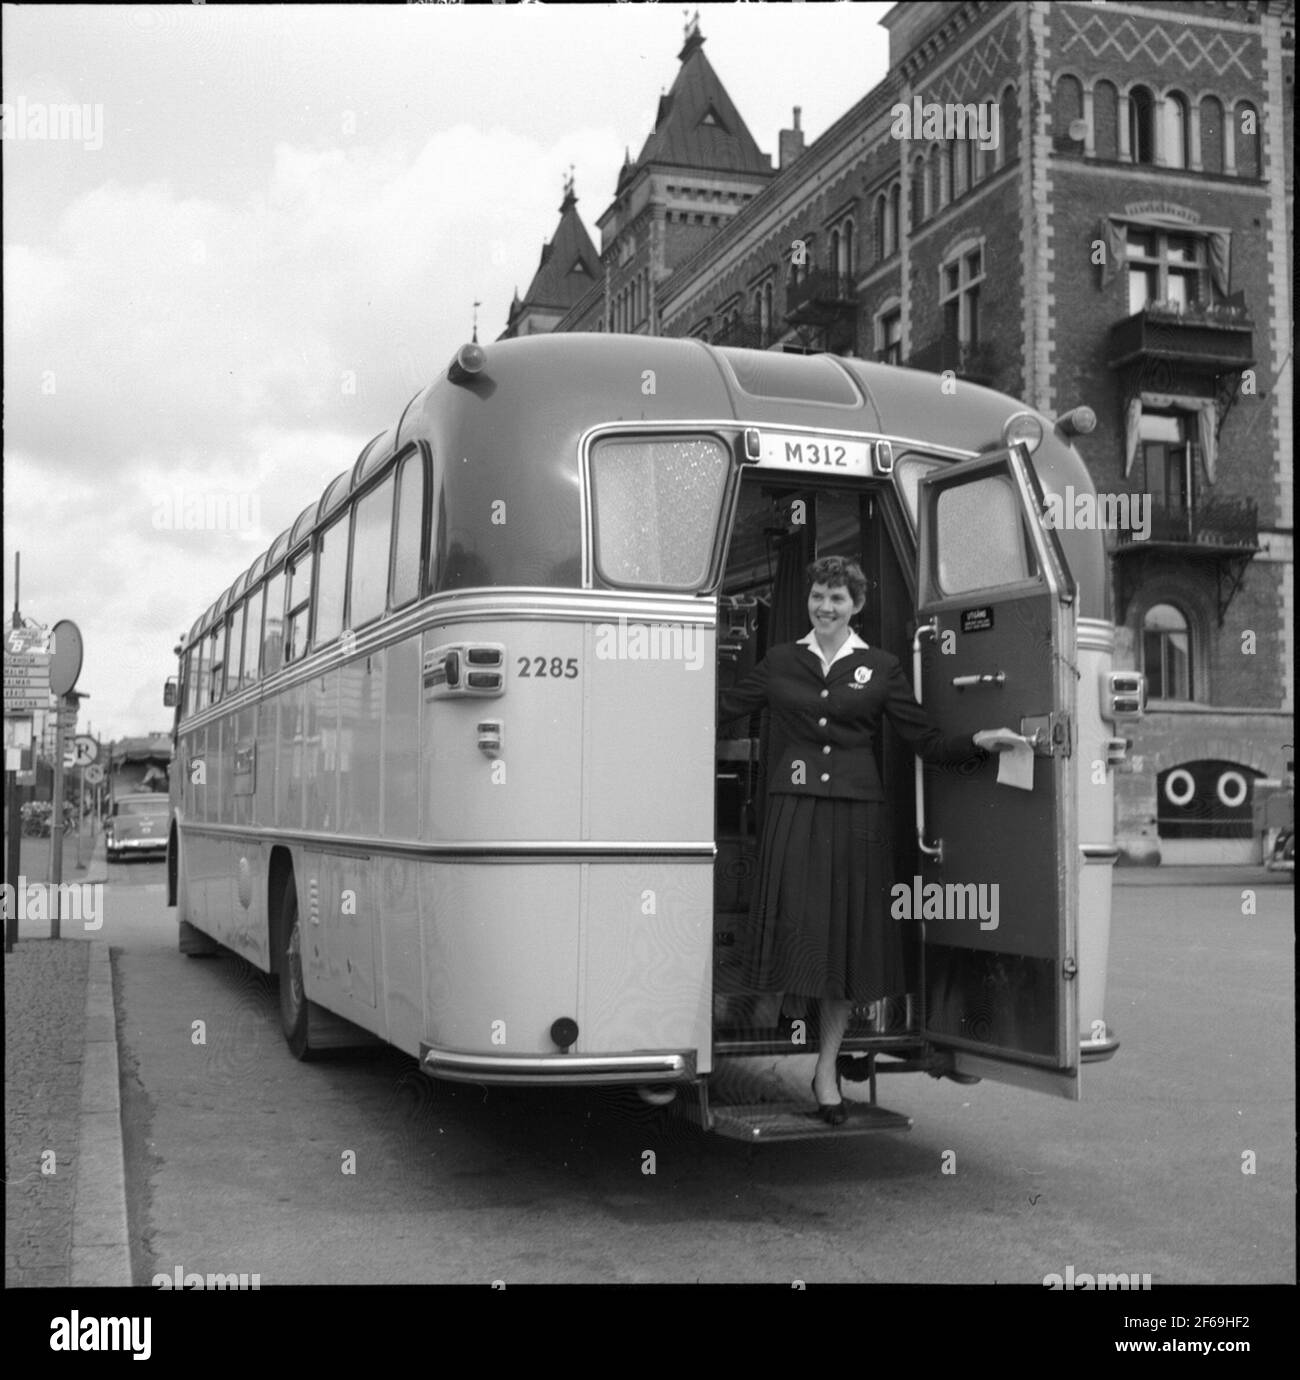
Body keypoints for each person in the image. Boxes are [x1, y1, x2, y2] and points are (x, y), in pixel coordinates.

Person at [718, 555, 1018, 1124]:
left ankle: (826, 1070)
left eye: (837, 598)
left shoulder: (879, 667)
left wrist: (979, 739)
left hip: (856, 818)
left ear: (856, 605)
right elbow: (725, 709)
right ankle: (751, 1035)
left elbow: (924, 739)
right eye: (817, 596)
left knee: (845, 948)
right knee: (791, 933)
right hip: (793, 809)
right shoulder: (781, 661)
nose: (825, 607)